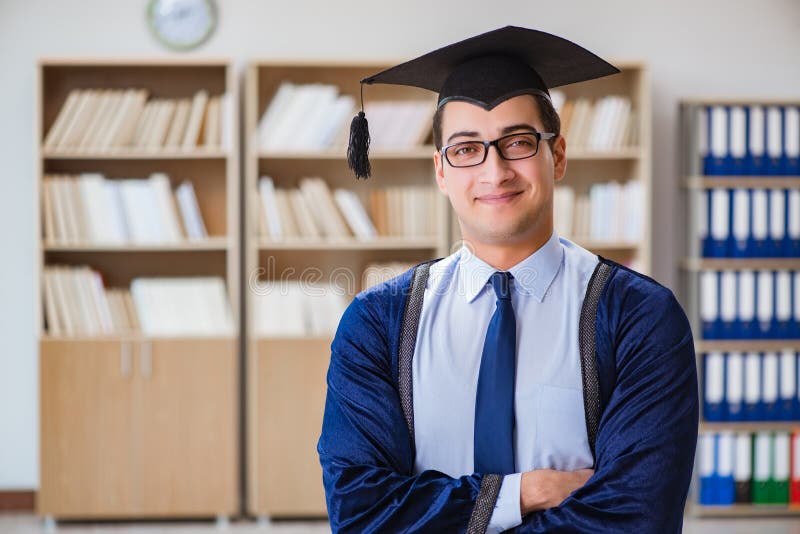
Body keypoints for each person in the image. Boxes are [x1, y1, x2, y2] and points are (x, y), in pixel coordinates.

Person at [318, 26, 698, 533]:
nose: (494, 172)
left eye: (517, 143)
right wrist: (525, 492)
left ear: (557, 155)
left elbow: (635, 517)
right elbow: (360, 511)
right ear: (440, 171)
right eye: (467, 149)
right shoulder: (378, 324)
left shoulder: (637, 315)